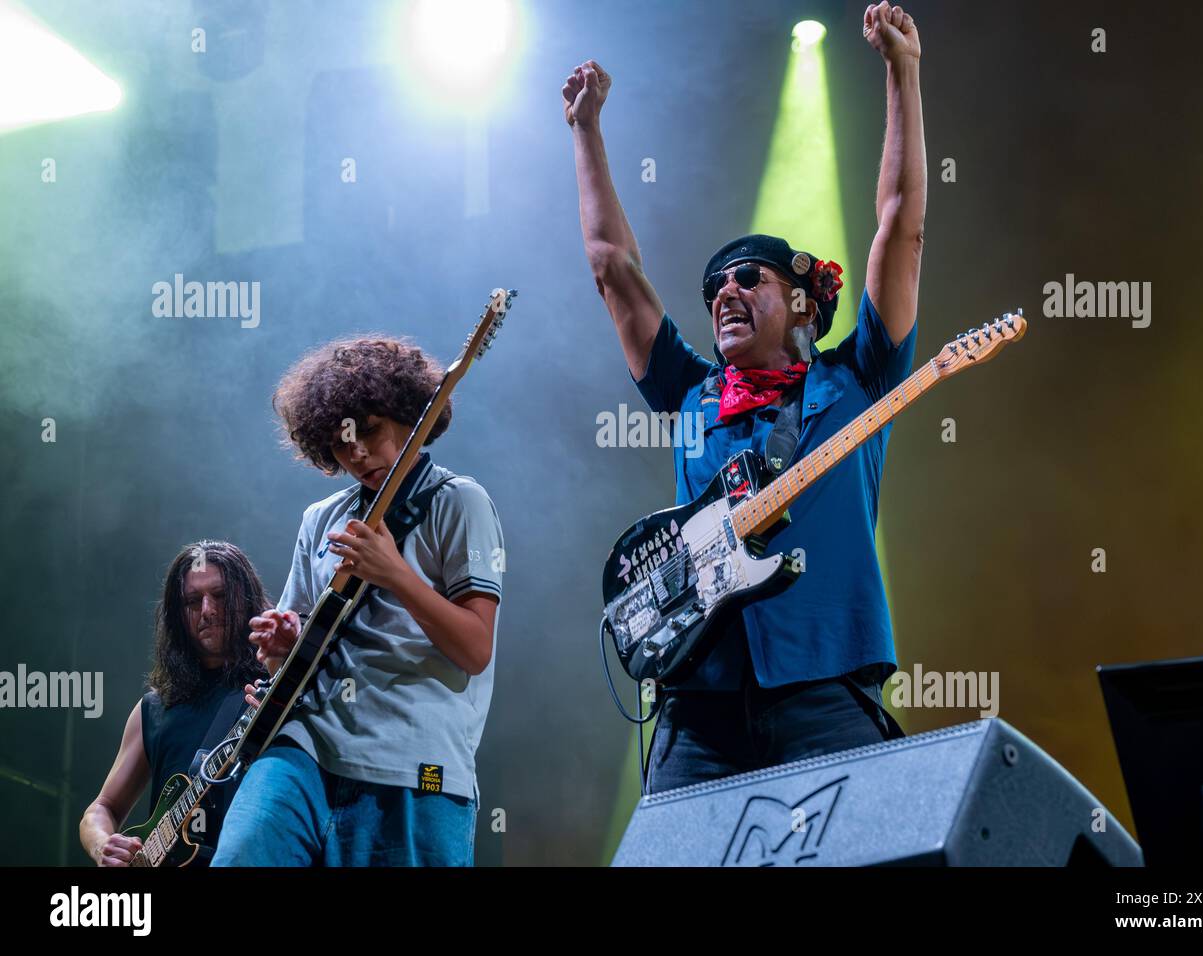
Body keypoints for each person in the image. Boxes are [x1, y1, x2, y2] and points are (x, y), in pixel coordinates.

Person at [565, 1, 926, 792]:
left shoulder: (856, 378)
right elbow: (611, 267)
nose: (724, 292)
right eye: (712, 287)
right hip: (698, 708)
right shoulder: (692, 392)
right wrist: (586, 132)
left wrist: (903, 71)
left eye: (747, 279)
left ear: (803, 301)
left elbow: (899, 224)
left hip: (824, 692)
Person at [211, 335, 504, 866]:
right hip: (302, 745)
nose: (357, 453)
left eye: (368, 431)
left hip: (414, 761)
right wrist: (282, 643)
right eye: (340, 442)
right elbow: (295, 652)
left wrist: (395, 574)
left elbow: (475, 647)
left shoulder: (461, 502)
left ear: (408, 414)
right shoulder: (320, 519)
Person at [80, 541, 269, 865]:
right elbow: (101, 808)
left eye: (221, 596)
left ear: (246, 599)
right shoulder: (154, 709)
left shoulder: (272, 687)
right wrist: (103, 846)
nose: (207, 610)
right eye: (193, 601)